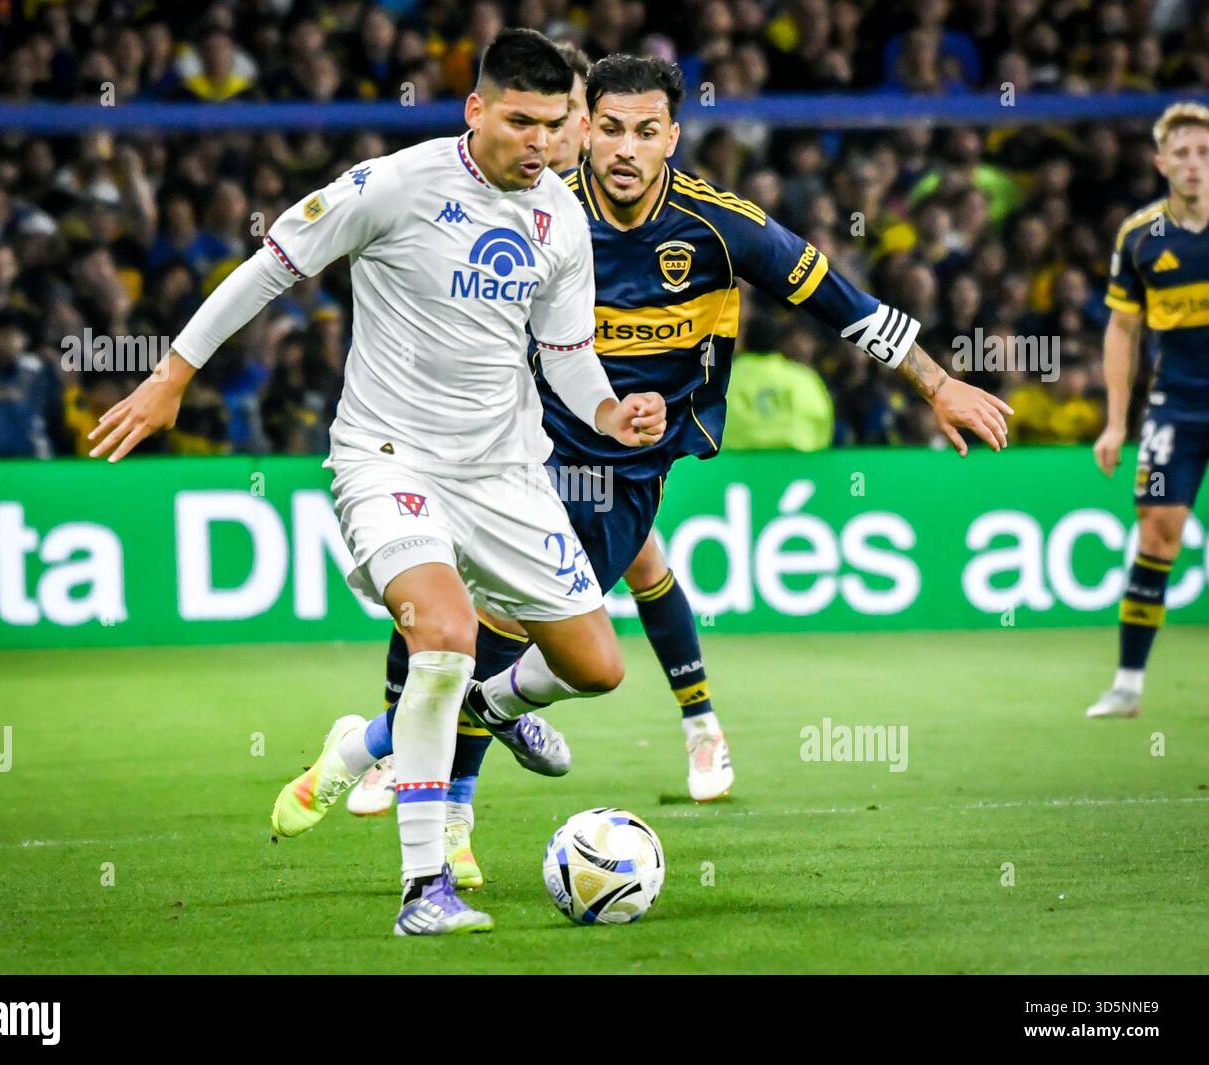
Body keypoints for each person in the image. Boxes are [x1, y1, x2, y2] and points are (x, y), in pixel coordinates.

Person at [277, 54, 1014, 890]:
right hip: (520, 447)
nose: (625, 148)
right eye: (609, 127)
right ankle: (448, 820)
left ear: (673, 135)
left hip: (630, 467)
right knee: (475, 620)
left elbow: (844, 303)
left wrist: (938, 380)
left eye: (646, 130)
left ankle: (384, 739)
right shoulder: (532, 208)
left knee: (553, 656)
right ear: (582, 127)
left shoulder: (720, 227)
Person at [87, 29, 666, 936]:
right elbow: (269, 269)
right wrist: (172, 376)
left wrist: (608, 414)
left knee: (595, 667)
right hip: (388, 458)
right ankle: (422, 887)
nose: (539, 144)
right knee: (443, 634)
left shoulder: (559, 216)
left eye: (556, 126)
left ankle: (386, 737)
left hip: (505, 475)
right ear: (475, 109)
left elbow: (568, 357)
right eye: (519, 121)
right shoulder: (393, 184)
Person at [1087, 102, 1209, 719]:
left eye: (1204, 152)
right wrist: (1115, 421)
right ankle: (1129, 684)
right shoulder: (1140, 237)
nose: (1194, 163)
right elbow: (1121, 330)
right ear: (1161, 163)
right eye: (1182, 153)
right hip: (1177, 408)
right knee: (1157, 533)